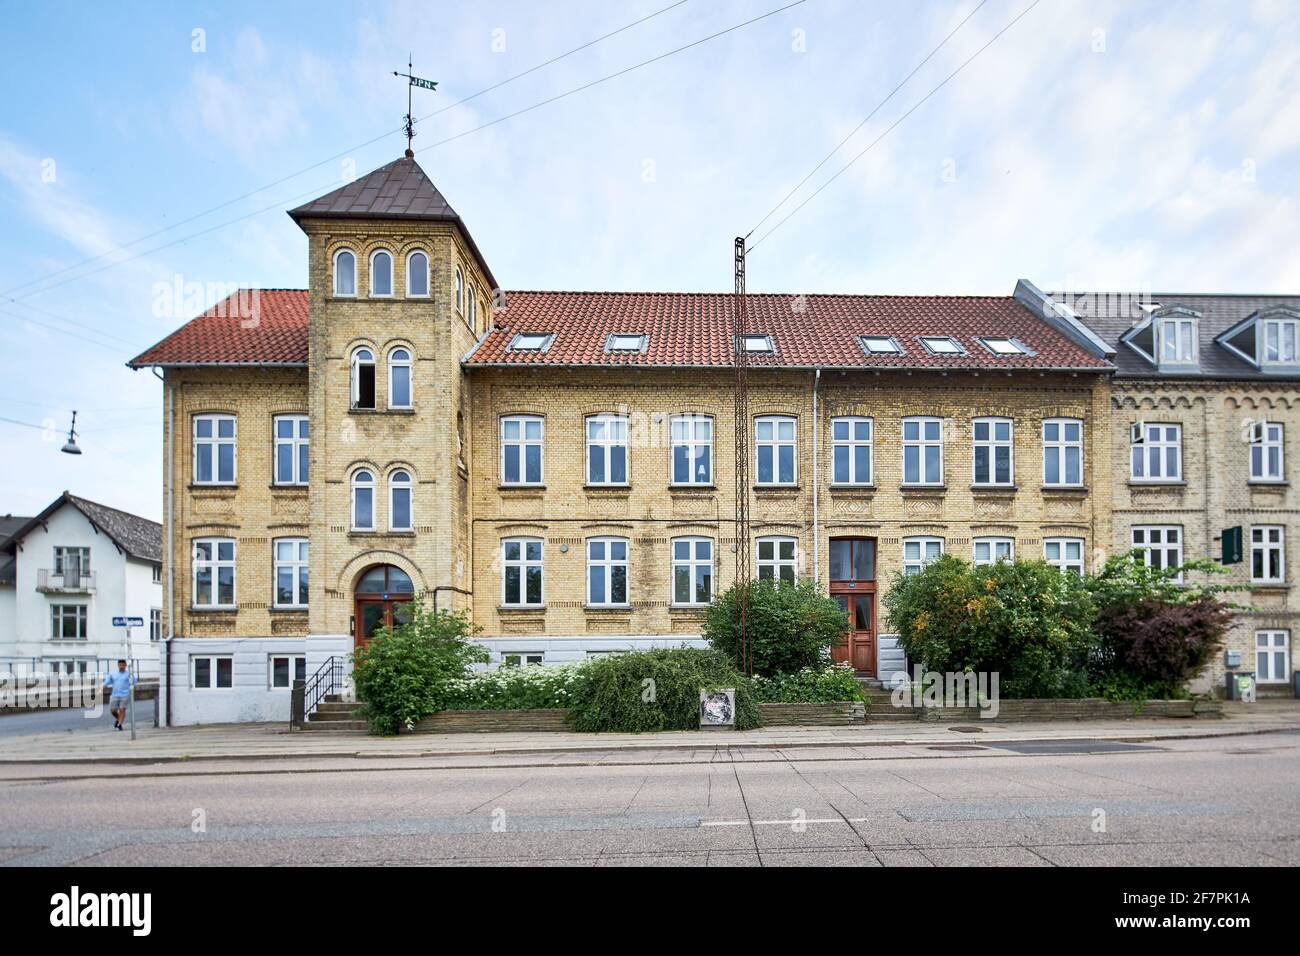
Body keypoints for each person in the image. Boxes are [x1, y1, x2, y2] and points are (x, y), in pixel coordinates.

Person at [103, 660, 135, 732]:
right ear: (118, 665)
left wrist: (132, 684)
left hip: (125, 694)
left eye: (123, 665)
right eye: (120, 665)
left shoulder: (128, 674)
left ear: (125, 665)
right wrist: (101, 687)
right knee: (113, 710)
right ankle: (118, 719)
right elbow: (107, 681)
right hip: (115, 694)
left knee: (122, 709)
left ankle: (119, 724)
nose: (121, 667)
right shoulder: (113, 673)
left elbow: (134, 682)